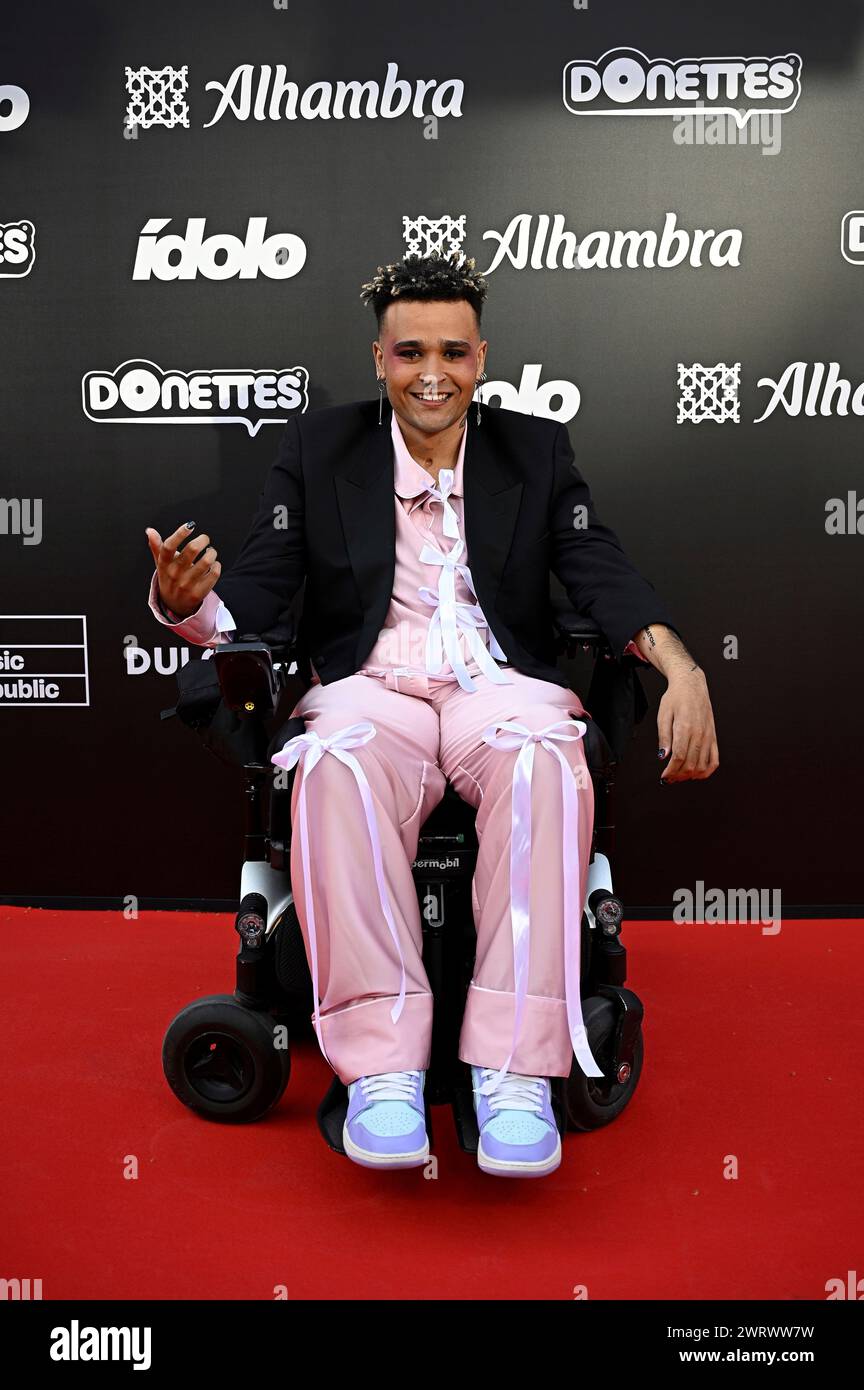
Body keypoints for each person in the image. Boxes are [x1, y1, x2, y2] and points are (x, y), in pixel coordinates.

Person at [145, 249, 718, 1179]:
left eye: (452, 352)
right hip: (374, 688)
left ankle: (514, 1071)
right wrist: (188, 607)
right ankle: (380, 1072)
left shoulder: (532, 449)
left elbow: (599, 570)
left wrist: (680, 667)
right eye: (410, 353)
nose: (432, 373)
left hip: (499, 688)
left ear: (481, 357)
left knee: (545, 755)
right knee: (330, 763)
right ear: (380, 360)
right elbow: (249, 591)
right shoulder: (319, 449)